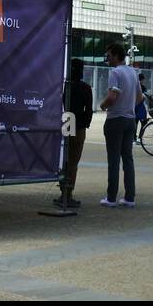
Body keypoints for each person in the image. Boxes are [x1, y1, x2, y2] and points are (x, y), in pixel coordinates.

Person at [100, 42, 140, 207]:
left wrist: (103, 105)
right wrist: (128, 106)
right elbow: (140, 97)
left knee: (114, 160)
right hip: (130, 119)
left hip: (115, 119)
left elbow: (112, 97)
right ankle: (129, 197)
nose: (107, 59)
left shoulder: (115, 72)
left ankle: (111, 198)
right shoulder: (133, 72)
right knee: (128, 159)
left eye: (109, 56)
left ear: (116, 55)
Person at [56, 58, 93, 207]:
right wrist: (85, 123)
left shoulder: (64, 86)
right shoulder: (85, 87)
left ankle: (63, 192)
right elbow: (89, 109)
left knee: (65, 159)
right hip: (79, 124)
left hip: (67, 120)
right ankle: (68, 193)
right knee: (74, 160)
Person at [134, 73, 148, 145]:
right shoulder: (142, 87)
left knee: (135, 122)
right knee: (144, 123)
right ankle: (139, 138)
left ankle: (134, 138)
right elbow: (143, 97)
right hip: (140, 107)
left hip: (134, 106)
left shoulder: (133, 86)